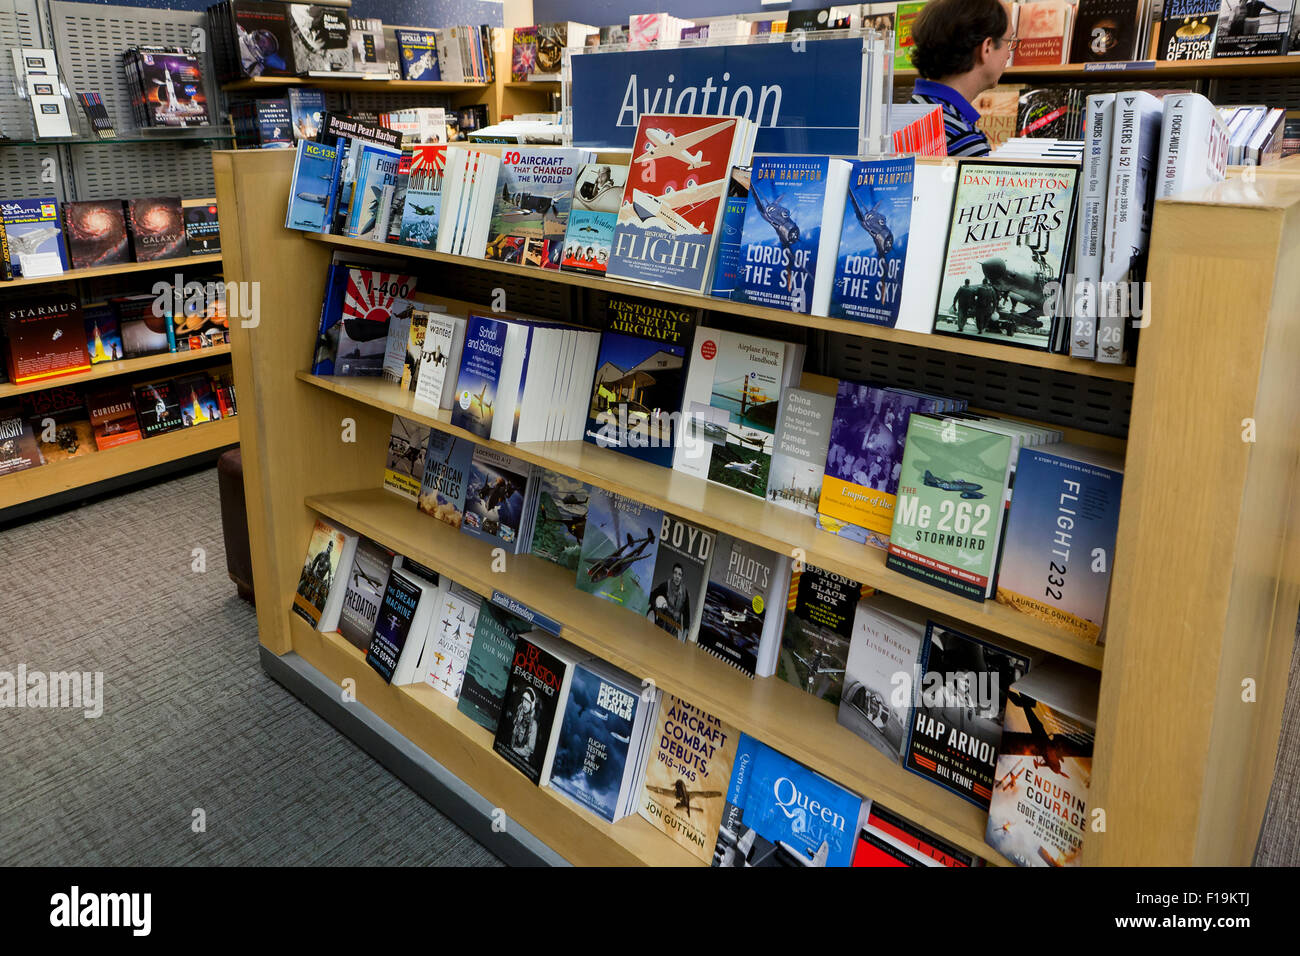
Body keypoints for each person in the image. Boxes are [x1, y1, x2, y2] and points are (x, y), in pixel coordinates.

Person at [908, 0, 1015, 157]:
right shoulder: (964, 141)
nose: (1009, 54)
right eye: (1009, 41)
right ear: (987, 47)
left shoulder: (902, 115)